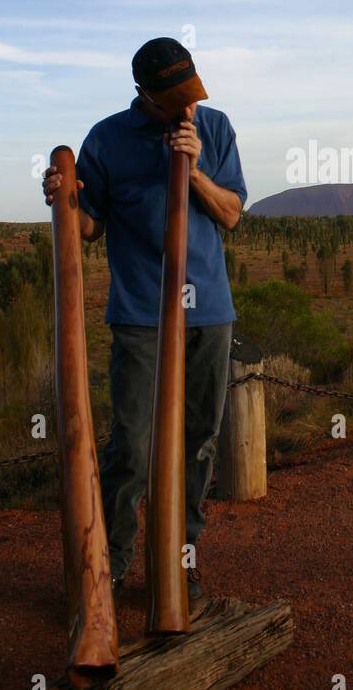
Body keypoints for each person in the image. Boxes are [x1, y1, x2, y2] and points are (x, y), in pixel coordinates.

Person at [42, 37, 246, 611]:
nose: (185, 108)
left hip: (208, 312)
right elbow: (89, 226)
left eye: (190, 94)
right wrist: (62, 200)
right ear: (143, 95)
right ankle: (109, 573)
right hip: (140, 317)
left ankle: (176, 567)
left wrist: (197, 169)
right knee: (130, 447)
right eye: (171, 99)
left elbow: (231, 213)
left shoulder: (216, 127)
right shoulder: (107, 139)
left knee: (199, 444)